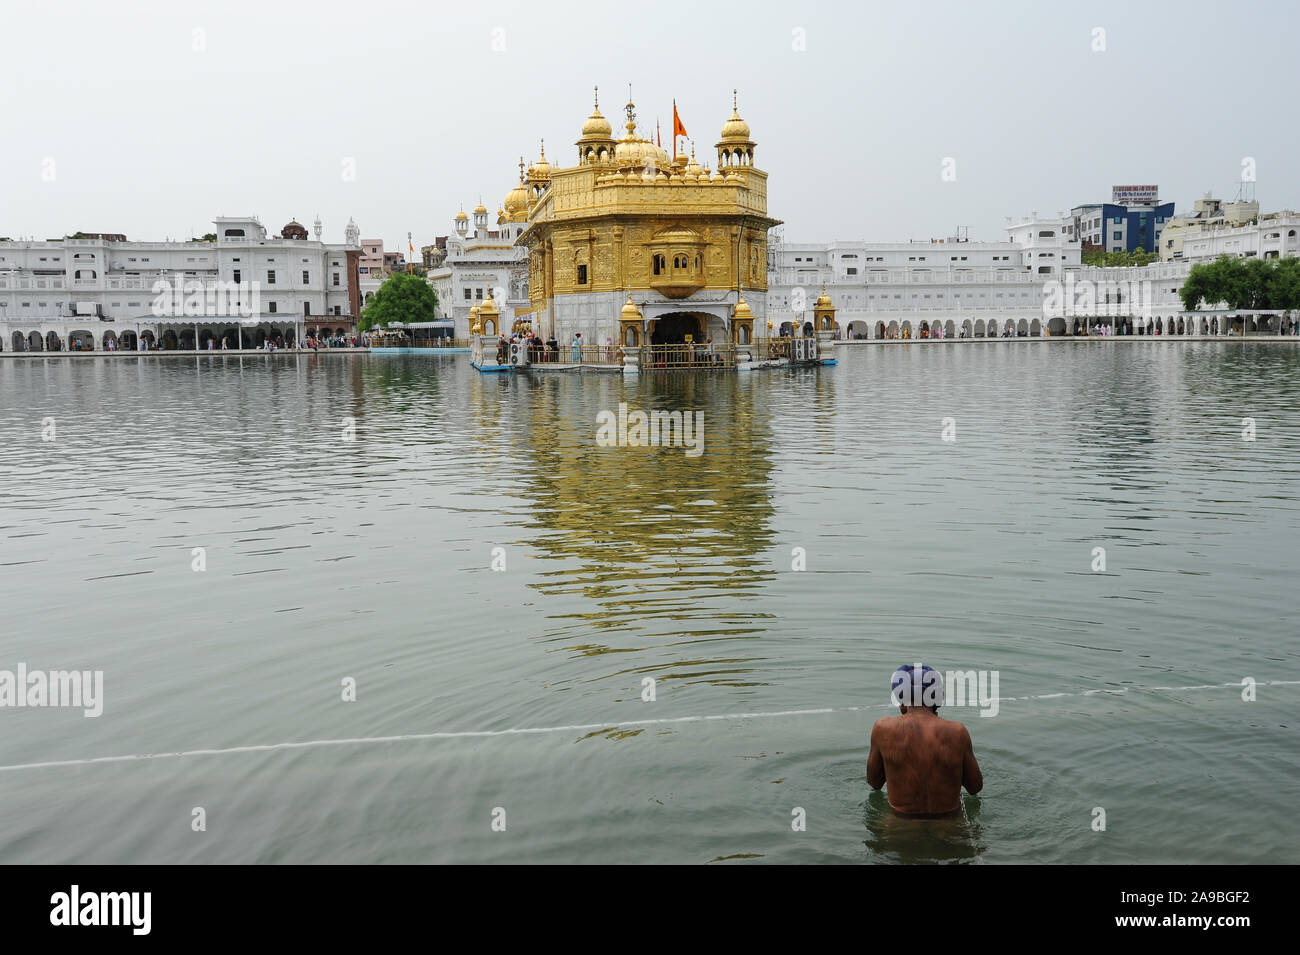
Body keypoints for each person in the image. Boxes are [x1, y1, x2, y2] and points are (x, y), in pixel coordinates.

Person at [867, 664, 983, 817]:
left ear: (901, 704)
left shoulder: (882, 729)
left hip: (898, 830)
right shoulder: (958, 732)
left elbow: (874, 783)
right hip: (950, 831)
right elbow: (975, 787)